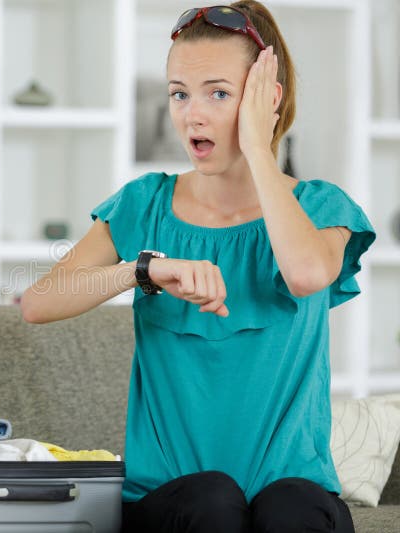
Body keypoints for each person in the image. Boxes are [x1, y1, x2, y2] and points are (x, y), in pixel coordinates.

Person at [20, 2, 375, 532]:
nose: (193, 114)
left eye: (219, 93)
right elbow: (37, 304)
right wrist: (141, 272)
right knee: (214, 498)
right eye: (179, 94)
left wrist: (258, 148)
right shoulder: (146, 203)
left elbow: (304, 274)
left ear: (266, 101)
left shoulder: (322, 208)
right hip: (174, 500)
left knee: (291, 508)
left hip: (293, 491)